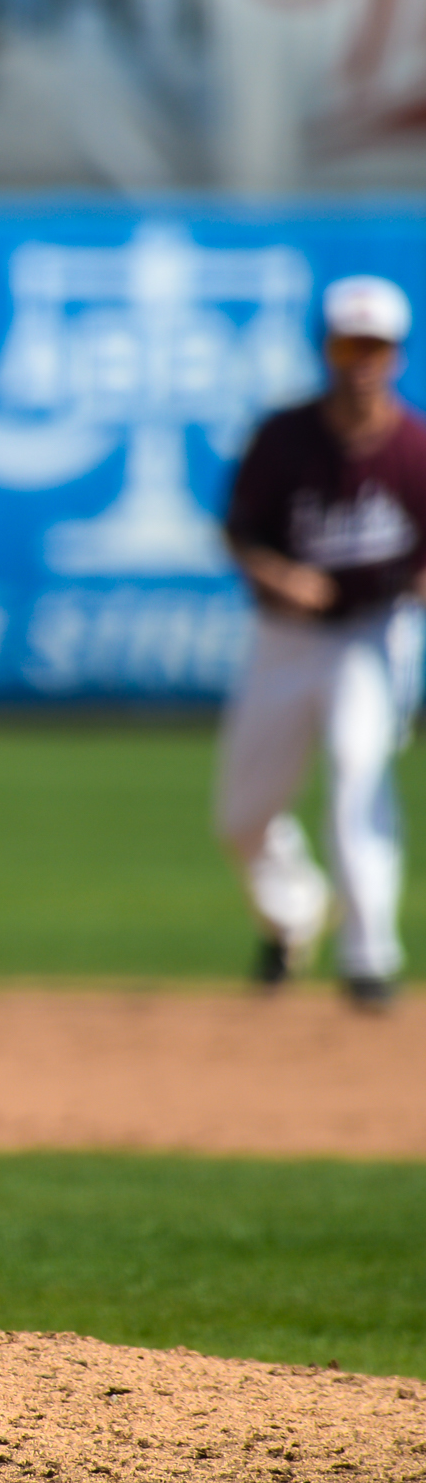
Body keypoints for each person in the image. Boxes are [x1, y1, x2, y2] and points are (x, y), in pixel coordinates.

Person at [215, 274, 425, 1012]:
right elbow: (237, 531)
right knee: (242, 816)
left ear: (396, 355)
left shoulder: (413, 449)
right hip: (285, 638)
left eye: (374, 345)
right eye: (347, 342)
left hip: (372, 634)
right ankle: (293, 913)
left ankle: (370, 956)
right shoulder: (285, 439)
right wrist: (282, 574)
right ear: (326, 348)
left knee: (359, 774)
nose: (359, 359)